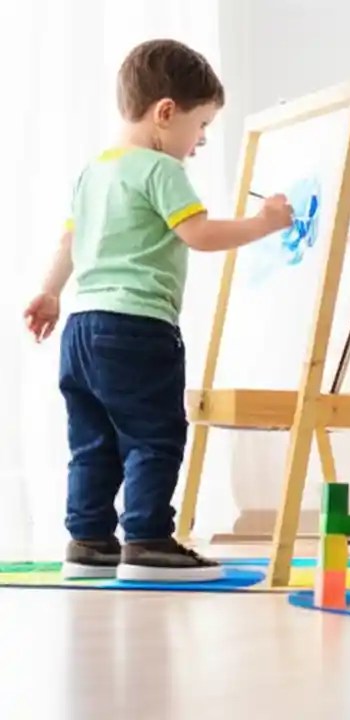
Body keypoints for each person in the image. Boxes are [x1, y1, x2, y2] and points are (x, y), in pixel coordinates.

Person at [22, 39, 293, 581]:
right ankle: (147, 540)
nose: (200, 141)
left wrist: (50, 292)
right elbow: (198, 233)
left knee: (93, 441)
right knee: (154, 434)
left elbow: (69, 245)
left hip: (80, 328)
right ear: (165, 113)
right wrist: (263, 224)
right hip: (137, 328)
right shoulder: (161, 170)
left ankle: (90, 541)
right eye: (201, 125)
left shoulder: (94, 173)